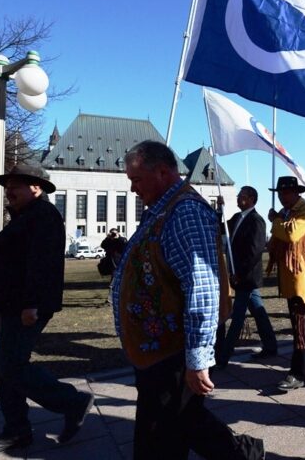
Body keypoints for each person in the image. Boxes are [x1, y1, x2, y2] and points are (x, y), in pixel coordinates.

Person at [110, 140, 264, 460]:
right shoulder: (162, 208)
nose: (132, 188)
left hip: (174, 345)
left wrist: (197, 357)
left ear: (163, 172)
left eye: (136, 180)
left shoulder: (185, 211)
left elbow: (202, 288)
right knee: (179, 420)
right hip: (159, 344)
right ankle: (244, 453)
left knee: (162, 430)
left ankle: (244, 453)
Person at [0, 162, 93, 457]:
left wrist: (32, 304)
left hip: (26, 306)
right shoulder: (26, 216)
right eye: (7, 185)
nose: (8, 190)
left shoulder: (43, 216)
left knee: (12, 365)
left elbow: (42, 264)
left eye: (16, 185)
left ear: (36, 187)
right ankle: (17, 429)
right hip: (13, 305)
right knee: (6, 365)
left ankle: (71, 402)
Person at [266, 176, 305, 391]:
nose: (282, 197)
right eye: (280, 194)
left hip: (303, 279)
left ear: (296, 192)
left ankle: (298, 373)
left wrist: (274, 221)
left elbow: (291, 234)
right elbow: (277, 240)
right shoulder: (286, 213)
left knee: (300, 327)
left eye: (286, 193)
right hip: (291, 278)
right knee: (302, 326)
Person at [215, 186, 277, 367]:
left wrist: (240, 275)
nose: (237, 197)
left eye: (241, 195)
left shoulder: (257, 221)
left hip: (246, 279)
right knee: (259, 313)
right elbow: (219, 228)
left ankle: (223, 356)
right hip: (240, 277)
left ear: (251, 198)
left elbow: (254, 252)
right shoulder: (236, 218)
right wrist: (219, 209)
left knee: (237, 319)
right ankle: (271, 346)